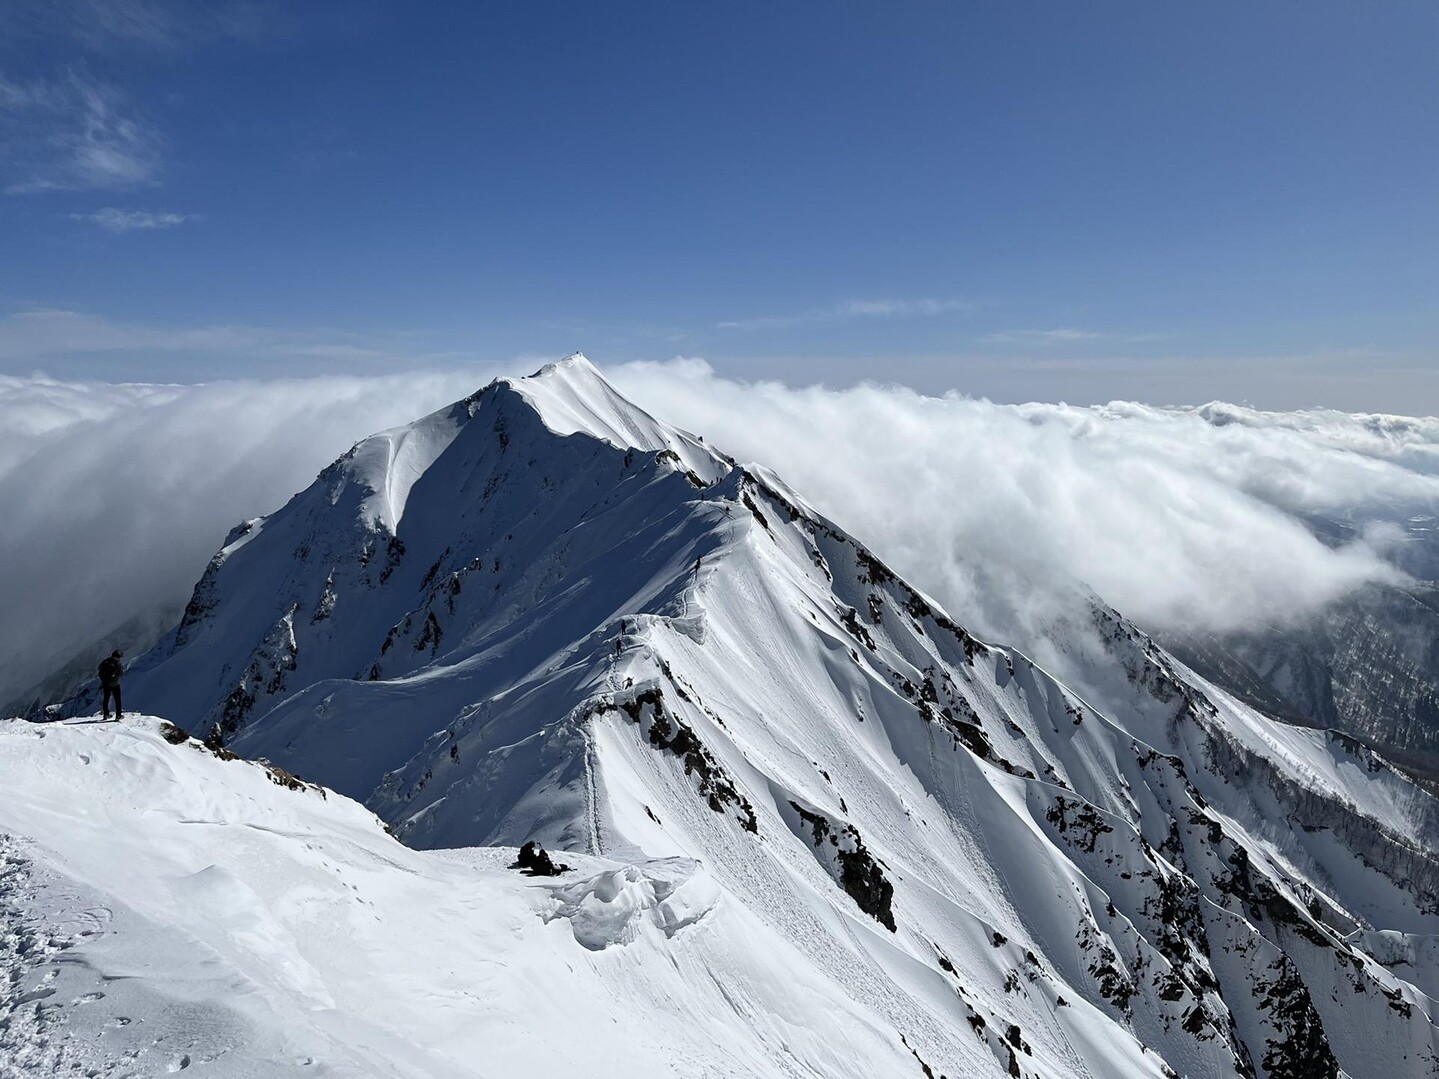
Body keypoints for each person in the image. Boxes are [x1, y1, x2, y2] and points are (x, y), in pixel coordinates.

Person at [98, 649, 124, 721]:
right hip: (115, 684)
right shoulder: (118, 664)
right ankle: (118, 715)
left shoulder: (106, 662)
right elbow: (121, 673)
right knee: (118, 700)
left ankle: (106, 714)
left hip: (106, 684)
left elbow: (99, 671)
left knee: (106, 699)